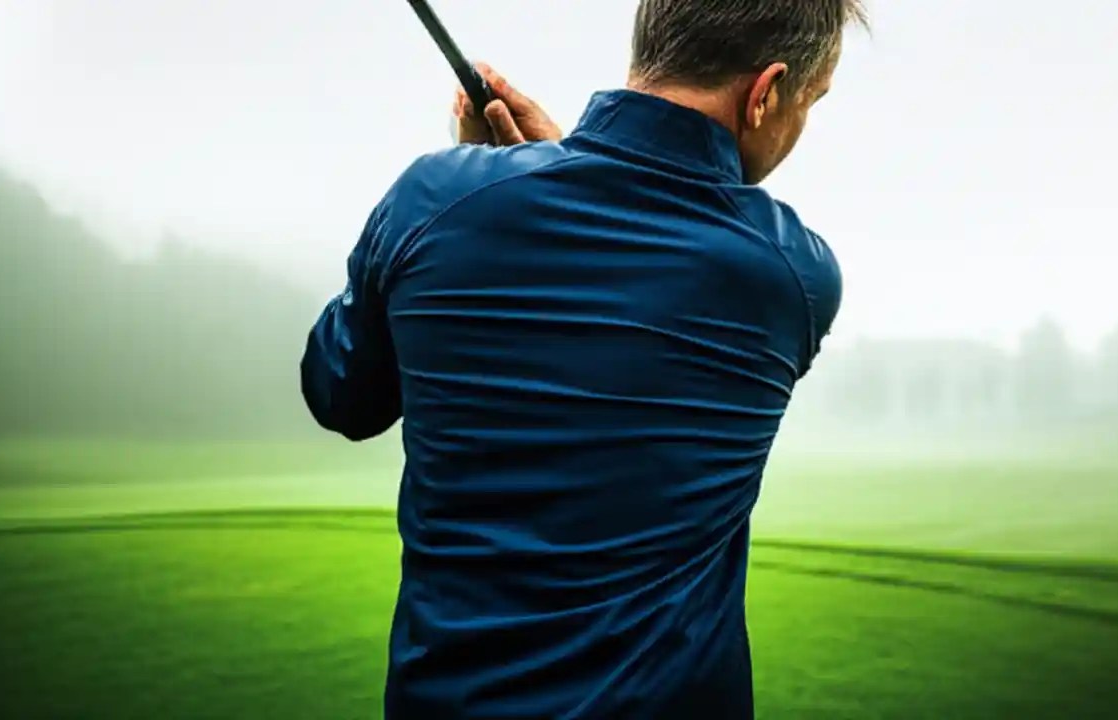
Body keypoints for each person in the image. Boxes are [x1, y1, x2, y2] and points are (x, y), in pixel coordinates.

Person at [300, 1, 866, 717]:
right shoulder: (794, 278)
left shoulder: (432, 200)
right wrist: (555, 168)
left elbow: (340, 395)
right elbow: (642, 275)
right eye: (811, 101)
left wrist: (501, 179)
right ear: (766, 94)